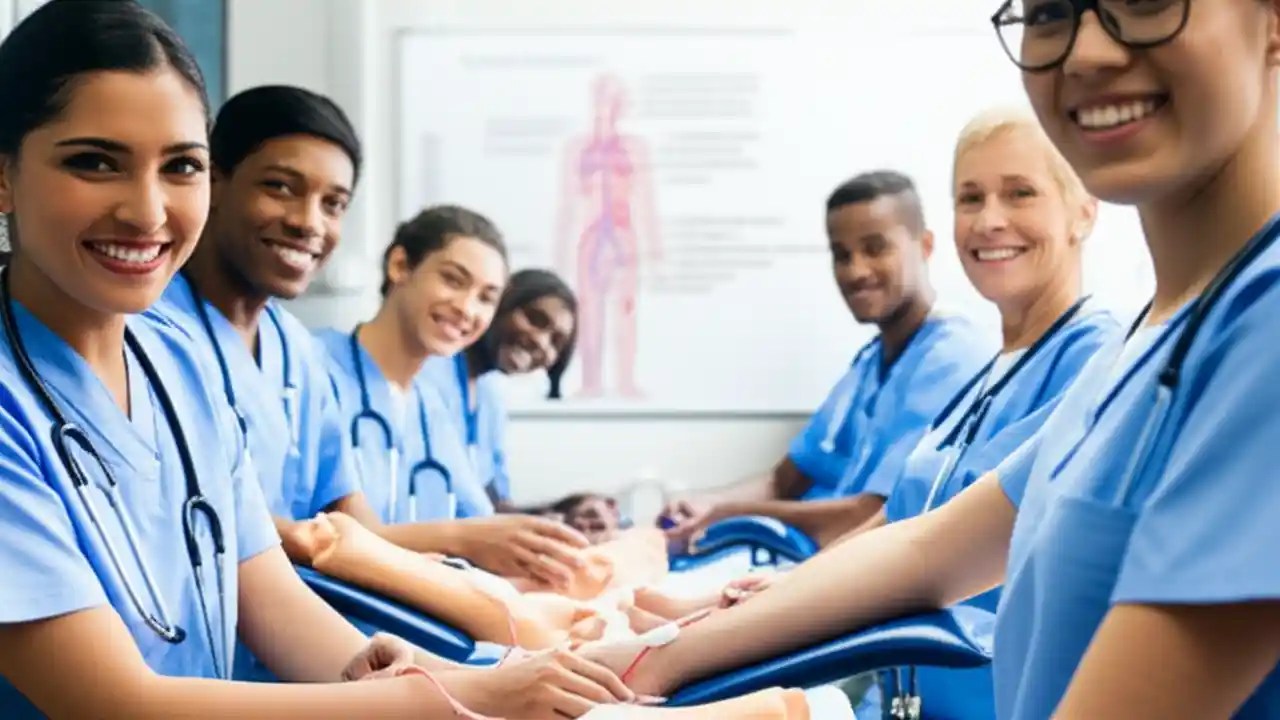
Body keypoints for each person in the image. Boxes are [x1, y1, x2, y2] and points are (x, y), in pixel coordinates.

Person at [584, 1, 1280, 717]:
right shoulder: (1148, 342)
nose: (1086, 53)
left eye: (1145, 0)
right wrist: (648, 658)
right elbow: (929, 550)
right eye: (1048, 11)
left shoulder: (1260, 328)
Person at [0, 2, 637, 717]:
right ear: (4, 176)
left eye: (180, 166)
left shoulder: (178, 365)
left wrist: (403, 671)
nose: (149, 211)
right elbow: (116, 703)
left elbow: (273, 602)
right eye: (94, 162)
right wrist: (461, 698)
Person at [150, 85, 591, 590]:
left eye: (333, 203)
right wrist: (461, 545)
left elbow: (362, 535)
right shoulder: (148, 331)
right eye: (280, 186)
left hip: (298, 645)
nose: (307, 221)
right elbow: (186, 513)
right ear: (215, 181)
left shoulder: (293, 353)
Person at [662, 171, 991, 548]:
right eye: (841, 255)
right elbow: (782, 481)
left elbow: (874, 517)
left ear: (925, 246)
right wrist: (706, 503)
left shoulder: (955, 358)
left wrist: (728, 514)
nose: (856, 271)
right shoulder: (870, 364)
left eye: (875, 248)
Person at [315, 205, 506, 523]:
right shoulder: (314, 365)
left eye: (486, 298)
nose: (467, 309)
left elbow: (481, 524)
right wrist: (464, 541)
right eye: (453, 280)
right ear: (400, 265)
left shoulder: (432, 408)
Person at [421, 267, 578, 510]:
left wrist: (563, 512)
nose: (541, 341)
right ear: (500, 303)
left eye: (556, 342)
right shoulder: (429, 370)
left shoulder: (490, 395)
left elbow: (494, 501)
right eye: (535, 319)